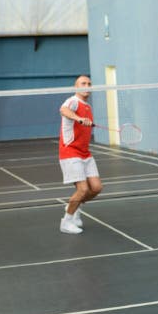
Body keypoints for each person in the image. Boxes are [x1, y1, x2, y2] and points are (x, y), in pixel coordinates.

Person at [58, 75, 103, 234]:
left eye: (89, 83)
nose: (87, 85)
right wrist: (79, 118)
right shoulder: (73, 101)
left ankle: (74, 206)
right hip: (70, 152)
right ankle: (66, 222)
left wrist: (85, 121)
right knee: (82, 189)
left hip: (85, 154)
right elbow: (63, 110)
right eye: (83, 83)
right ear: (76, 87)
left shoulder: (88, 108)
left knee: (96, 188)